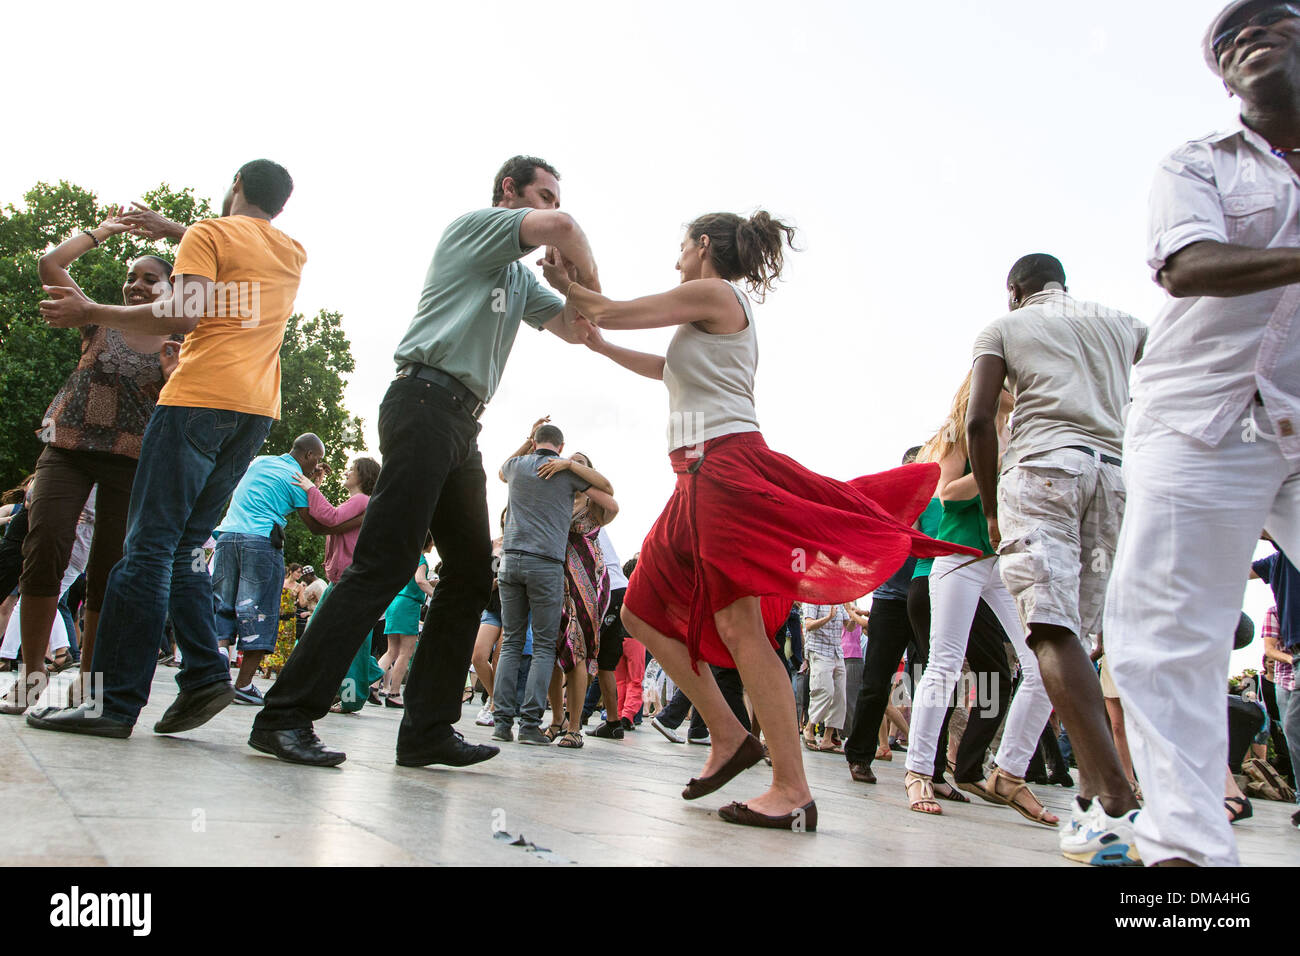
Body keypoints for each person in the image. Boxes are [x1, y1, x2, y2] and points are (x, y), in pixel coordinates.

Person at [566, 210, 978, 830]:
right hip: (697, 479)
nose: (676, 255)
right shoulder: (707, 315)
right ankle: (731, 737)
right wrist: (600, 343)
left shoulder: (715, 292)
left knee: (740, 628)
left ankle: (791, 786)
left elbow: (619, 306)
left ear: (703, 245)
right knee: (641, 610)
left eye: (682, 244)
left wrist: (570, 286)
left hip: (721, 473)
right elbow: (665, 368)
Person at [251, 156, 598, 767]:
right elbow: (566, 228)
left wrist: (572, 284)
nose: (548, 208)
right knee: (383, 563)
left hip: (461, 423)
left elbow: (578, 328)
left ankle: (427, 730)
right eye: (540, 196)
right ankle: (283, 716)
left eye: (552, 199)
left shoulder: (518, 282)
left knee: (468, 572)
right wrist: (575, 254)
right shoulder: (475, 230)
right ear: (509, 192)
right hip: (423, 401)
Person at [1104, 0, 1300, 866]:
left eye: (1271, 19)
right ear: (1224, 79)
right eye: (1229, 37)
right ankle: (1186, 856)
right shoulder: (1196, 162)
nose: (1246, 34)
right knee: (1169, 630)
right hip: (1204, 417)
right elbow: (1189, 267)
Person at [29, 159, 305, 739]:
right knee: (180, 551)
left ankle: (113, 704)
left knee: (147, 550)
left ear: (235, 187)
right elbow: (234, 269)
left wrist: (90, 311)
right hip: (253, 414)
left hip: (196, 400)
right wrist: (174, 230)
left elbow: (182, 311)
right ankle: (206, 672)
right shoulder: (290, 252)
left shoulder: (211, 233)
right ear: (278, 206)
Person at [967, 252, 1147, 863]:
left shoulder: (1004, 326)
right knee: (1079, 637)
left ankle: (1115, 801)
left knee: (1049, 630)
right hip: (1111, 475)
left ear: (1015, 290)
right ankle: (1099, 789)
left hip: (1041, 470)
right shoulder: (1121, 322)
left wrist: (992, 508)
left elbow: (979, 421)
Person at [2, 212, 183, 715]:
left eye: (150, 278)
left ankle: (88, 682)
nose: (135, 285)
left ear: (173, 287)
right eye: (130, 277)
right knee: (45, 546)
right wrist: (105, 232)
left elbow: (180, 410)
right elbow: (50, 263)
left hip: (131, 460)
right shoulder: (97, 315)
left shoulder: (184, 338)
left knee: (109, 569)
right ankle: (32, 673)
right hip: (68, 446)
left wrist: (172, 376)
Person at [904, 375, 1056, 824]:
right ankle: (917, 771)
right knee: (945, 663)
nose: (1016, 384)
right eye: (1006, 378)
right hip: (959, 556)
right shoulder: (961, 432)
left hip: (1003, 560)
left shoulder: (1022, 431)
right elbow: (948, 495)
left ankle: (1008, 772)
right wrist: (999, 460)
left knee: (1043, 664)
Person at [211, 435, 356, 705]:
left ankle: (217, 671)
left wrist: (313, 484)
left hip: (227, 537)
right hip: (261, 541)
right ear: (310, 455)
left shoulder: (260, 462)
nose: (316, 466)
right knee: (260, 611)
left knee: (225, 606)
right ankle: (243, 686)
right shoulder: (295, 479)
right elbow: (315, 525)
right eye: (318, 460)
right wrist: (355, 521)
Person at [491, 422, 612, 745]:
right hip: (545, 564)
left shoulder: (516, 466)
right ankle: (530, 725)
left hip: (510, 561)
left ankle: (502, 722)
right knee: (544, 645)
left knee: (512, 642)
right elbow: (608, 488)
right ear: (561, 446)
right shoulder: (564, 472)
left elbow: (501, 471)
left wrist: (526, 443)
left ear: (535, 442)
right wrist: (570, 465)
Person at [548, 452, 617, 748]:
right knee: (550, 651)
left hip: (589, 583)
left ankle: (574, 727)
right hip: (555, 581)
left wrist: (570, 465)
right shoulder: (555, 499)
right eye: (569, 459)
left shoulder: (595, 506)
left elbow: (611, 495)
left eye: (580, 462)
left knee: (577, 649)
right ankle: (556, 719)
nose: (572, 463)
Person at [378, 550, 437, 708]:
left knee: (392, 651)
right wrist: (435, 594)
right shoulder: (421, 559)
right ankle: (394, 693)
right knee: (406, 652)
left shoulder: (404, 555)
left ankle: (372, 685)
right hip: (409, 605)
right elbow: (419, 580)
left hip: (395, 601)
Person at [801, 603, 850, 752]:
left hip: (836, 652)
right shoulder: (813, 599)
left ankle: (828, 738)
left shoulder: (840, 601)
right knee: (824, 691)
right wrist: (828, 617)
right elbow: (808, 625)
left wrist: (852, 614)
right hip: (819, 651)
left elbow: (850, 626)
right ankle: (809, 728)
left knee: (840, 696)